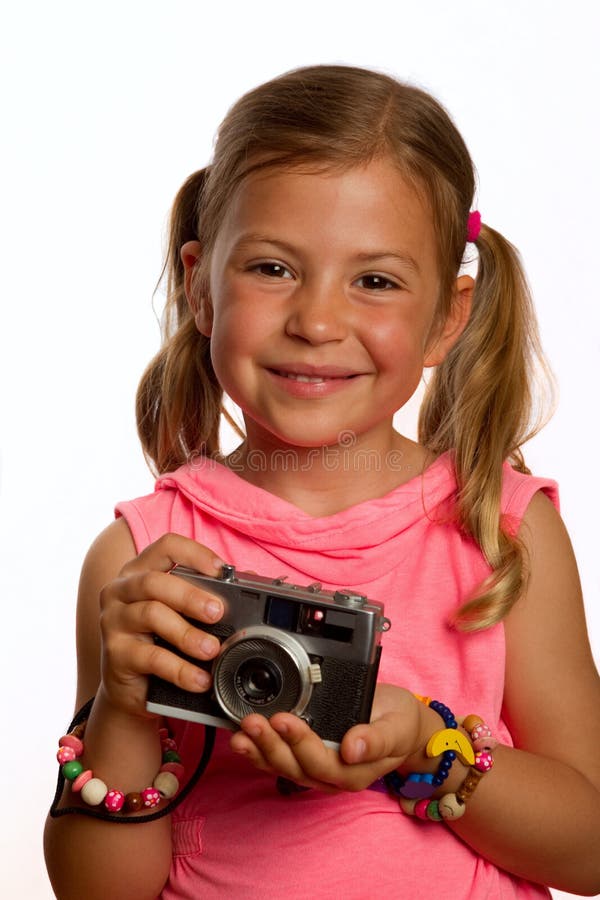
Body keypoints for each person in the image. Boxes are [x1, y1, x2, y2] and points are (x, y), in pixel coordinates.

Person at [44, 64, 600, 899]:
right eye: (272, 268)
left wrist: (425, 747)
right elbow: (98, 892)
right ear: (199, 285)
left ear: (448, 318)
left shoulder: (501, 532)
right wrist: (122, 709)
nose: (316, 321)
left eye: (374, 281)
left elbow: (589, 850)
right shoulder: (149, 559)